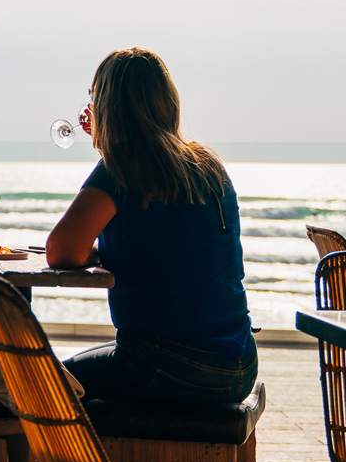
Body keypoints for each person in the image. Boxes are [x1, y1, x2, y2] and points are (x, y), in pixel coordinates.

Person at [47, 47, 257, 406]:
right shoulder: (208, 165)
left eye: (95, 96)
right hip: (238, 366)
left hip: (168, 366)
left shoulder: (121, 169)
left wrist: (109, 151)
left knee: (40, 386)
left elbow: (62, 252)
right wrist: (108, 147)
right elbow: (162, 233)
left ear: (108, 106)